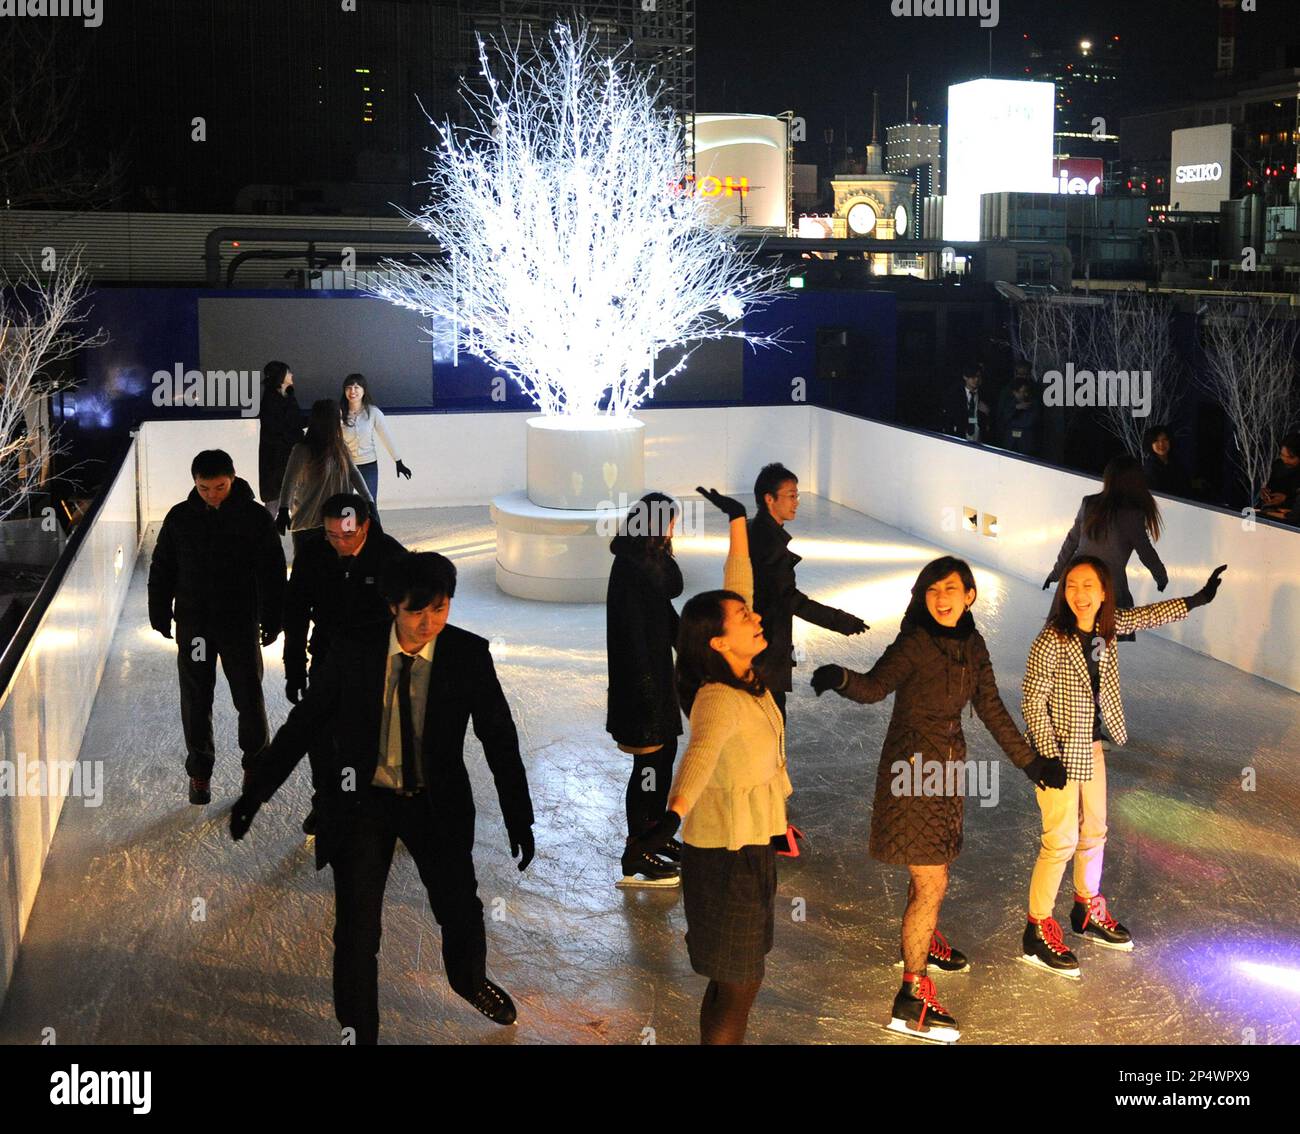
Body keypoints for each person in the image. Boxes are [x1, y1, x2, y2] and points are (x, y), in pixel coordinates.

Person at [231, 552, 535, 1042]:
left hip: (435, 804)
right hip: (362, 802)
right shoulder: (354, 650)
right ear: (394, 605)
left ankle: (468, 979)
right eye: (418, 611)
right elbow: (305, 724)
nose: (429, 623)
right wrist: (256, 794)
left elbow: (499, 738)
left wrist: (520, 814)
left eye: (440, 609)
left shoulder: (467, 655)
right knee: (356, 932)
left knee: (460, 908)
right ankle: (358, 1032)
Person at [809, 557, 1054, 1045]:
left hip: (947, 770)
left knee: (932, 872)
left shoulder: (973, 645)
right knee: (931, 880)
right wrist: (840, 677)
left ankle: (922, 941)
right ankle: (911, 996)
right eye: (933, 590)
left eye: (951, 589)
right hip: (911, 772)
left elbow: (990, 707)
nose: (942, 598)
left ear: (970, 595)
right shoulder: (916, 642)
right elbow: (876, 687)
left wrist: (1029, 762)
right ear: (923, 596)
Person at [631, 486, 791, 1044]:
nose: (754, 616)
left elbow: (736, 587)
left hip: (748, 845)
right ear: (720, 642)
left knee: (736, 980)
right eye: (743, 617)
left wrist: (740, 523)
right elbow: (696, 762)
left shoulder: (732, 672)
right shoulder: (718, 698)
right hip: (726, 857)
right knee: (739, 981)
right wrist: (670, 817)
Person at [1020, 557, 1226, 976]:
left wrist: (1198, 600)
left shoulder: (1104, 629)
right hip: (1057, 753)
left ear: (1103, 593)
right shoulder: (1051, 640)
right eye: (1072, 586)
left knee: (1095, 830)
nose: (1079, 594)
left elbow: (1147, 616)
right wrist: (1045, 755)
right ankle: (1036, 930)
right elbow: (1031, 702)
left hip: (1090, 746)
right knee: (1060, 840)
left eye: (1088, 586)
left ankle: (1084, 909)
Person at [147, 449, 285, 804]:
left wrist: (273, 617)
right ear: (194, 483)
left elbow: (272, 571)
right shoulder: (179, 518)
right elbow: (162, 567)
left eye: (220, 487)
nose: (213, 494)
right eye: (205, 488)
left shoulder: (255, 518)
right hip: (195, 625)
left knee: (249, 697)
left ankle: (255, 764)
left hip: (239, 623)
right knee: (195, 699)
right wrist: (159, 611)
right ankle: (200, 772)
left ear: (234, 478)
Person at [283, 492, 410, 835]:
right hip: (327, 660)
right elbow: (296, 613)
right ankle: (325, 802)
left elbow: (409, 621)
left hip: (378, 668)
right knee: (323, 737)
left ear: (365, 525)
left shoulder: (391, 558)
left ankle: (383, 808)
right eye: (332, 535)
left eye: (348, 535)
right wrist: (293, 665)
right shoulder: (313, 553)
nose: (339, 543)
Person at [605, 492, 684, 888]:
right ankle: (637, 851)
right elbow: (674, 583)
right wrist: (650, 699)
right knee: (649, 768)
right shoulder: (640, 565)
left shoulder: (639, 563)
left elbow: (666, 615)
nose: (674, 531)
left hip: (652, 684)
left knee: (661, 760)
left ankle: (654, 837)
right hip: (642, 690)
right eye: (670, 523)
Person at [749, 463, 868, 721]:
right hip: (766, 646)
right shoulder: (769, 545)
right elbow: (791, 600)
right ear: (769, 499)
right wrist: (839, 621)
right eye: (791, 495)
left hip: (760, 641)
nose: (797, 502)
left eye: (797, 495)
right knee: (771, 718)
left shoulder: (754, 531)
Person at [1044, 455, 1167, 639]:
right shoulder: (1132, 515)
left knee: (1072, 636)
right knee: (1099, 642)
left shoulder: (1090, 503)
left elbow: (1071, 542)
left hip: (1078, 579)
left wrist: (1056, 573)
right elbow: (1146, 552)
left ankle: (1084, 666)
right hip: (1106, 588)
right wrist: (1161, 577)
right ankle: (1094, 667)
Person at [278, 398, 372, 559]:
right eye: (338, 416)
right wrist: (283, 509)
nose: (341, 419)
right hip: (310, 522)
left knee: (340, 566)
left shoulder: (340, 447)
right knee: (309, 568)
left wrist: (369, 500)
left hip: (340, 520)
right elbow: (289, 481)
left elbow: (353, 473)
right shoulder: (302, 450)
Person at [339, 373, 411, 505]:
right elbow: (331, 439)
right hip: (345, 465)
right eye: (348, 388)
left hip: (368, 465)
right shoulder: (339, 413)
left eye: (356, 387)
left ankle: (374, 526)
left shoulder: (373, 412)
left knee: (370, 504)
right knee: (344, 504)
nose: (352, 391)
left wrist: (398, 461)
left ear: (364, 390)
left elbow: (387, 437)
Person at [257, 361, 302, 516]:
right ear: (281, 376)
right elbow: (277, 431)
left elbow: (296, 421)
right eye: (289, 372)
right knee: (274, 501)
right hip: (276, 460)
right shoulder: (270, 400)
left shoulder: (289, 395)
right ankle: (267, 537)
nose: (292, 375)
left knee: (295, 498)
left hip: (290, 456)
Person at [940, 363, 990, 443]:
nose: (976, 380)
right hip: (960, 437)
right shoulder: (955, 395)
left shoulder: (985, 395)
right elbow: (949, 418)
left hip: (979, 439)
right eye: (973, 377)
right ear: (965, 377)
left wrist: (987, 412)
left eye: (979, 377)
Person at [1141, 425, 1192, 498]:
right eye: (1156, 441)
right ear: (1150, 444)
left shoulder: (1176, 461)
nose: (1161, 444)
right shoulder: (1149, 469)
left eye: (1165, 439)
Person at [1259, 431, 1300, 517]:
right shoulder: (1278, 466)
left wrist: (1286, 499)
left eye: (1291, 457)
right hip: (1272, 512)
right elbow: (1271, 487)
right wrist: (1266, 494)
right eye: (1282, 455)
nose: (1285, 460)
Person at [1001, 374, 1042, 457]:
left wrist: (1012, 423)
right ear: (1015, 392)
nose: (1025, 394)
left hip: (1026, 443)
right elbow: (1004, 419)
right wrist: (1016, 408)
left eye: (1026, 391)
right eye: (1022, 392)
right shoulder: (1009, 403)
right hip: (1010, 443)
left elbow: (1029, 422)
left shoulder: (1033, 403)